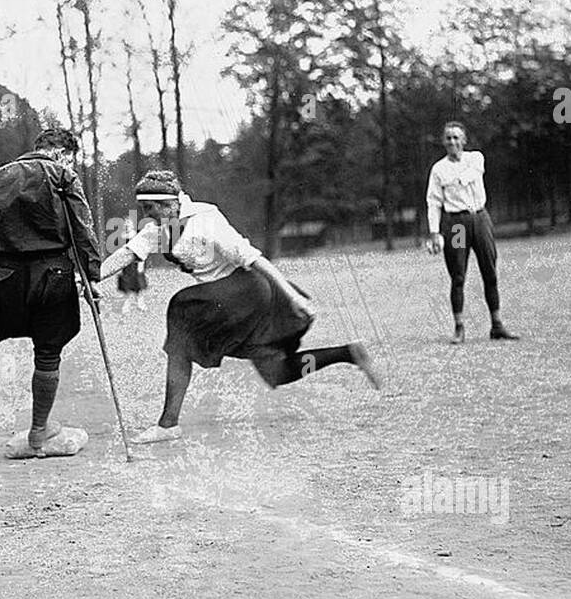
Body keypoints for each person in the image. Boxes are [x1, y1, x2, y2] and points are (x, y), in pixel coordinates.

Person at [97, 170, 383, 444]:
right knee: (277, 372)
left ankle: (168, 424)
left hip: (249, 290)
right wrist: (91, 277)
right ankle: (348, 353)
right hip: (230, 304)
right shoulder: (158, 230)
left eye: (150, 208)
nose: (146, 215)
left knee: (180, 311)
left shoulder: (205, 220)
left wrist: (293, 297)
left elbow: (252, 257)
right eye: (143, 208)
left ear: (171, 204)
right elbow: (125, 254)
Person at [0, 127, 101, 453]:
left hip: (8, 280)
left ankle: (34, 432)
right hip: (53, 277)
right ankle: (39, 431)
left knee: (31, 345)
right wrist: (92, 276)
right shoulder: (62, 175)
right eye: (69, 159)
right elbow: (82, 231)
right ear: (61, 153)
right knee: (47, 354)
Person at [425, 120, 518, 345]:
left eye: (456, 137)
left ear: (464, 140)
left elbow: (473, 174)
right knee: (458, 275)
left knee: (490, 271)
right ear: (443, 141)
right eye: (448, 138)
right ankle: (459, 327)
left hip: (479, 218)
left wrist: (455, 181)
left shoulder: (475, 158)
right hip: (456, 223)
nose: (452, 142)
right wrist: (434, 232)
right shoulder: (438, 169)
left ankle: (496, 325)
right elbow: (434, 202)